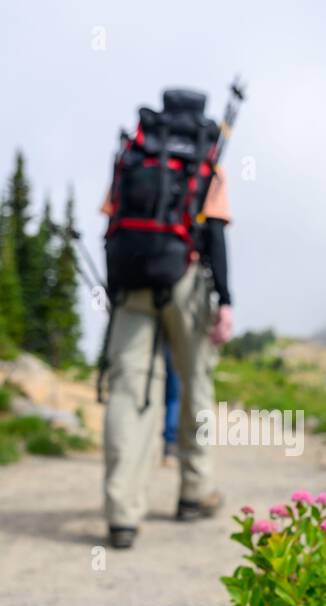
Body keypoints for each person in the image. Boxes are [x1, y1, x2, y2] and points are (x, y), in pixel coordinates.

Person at [100, 88, 234, 549]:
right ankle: (193, 493)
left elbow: (111, 219)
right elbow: (214, 235)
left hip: (131, 282)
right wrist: (226, 301)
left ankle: (123, 515)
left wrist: (116, 285)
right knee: (195, 381)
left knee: (130, 388)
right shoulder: (204, 157)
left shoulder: (136, 153)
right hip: (186, 280)